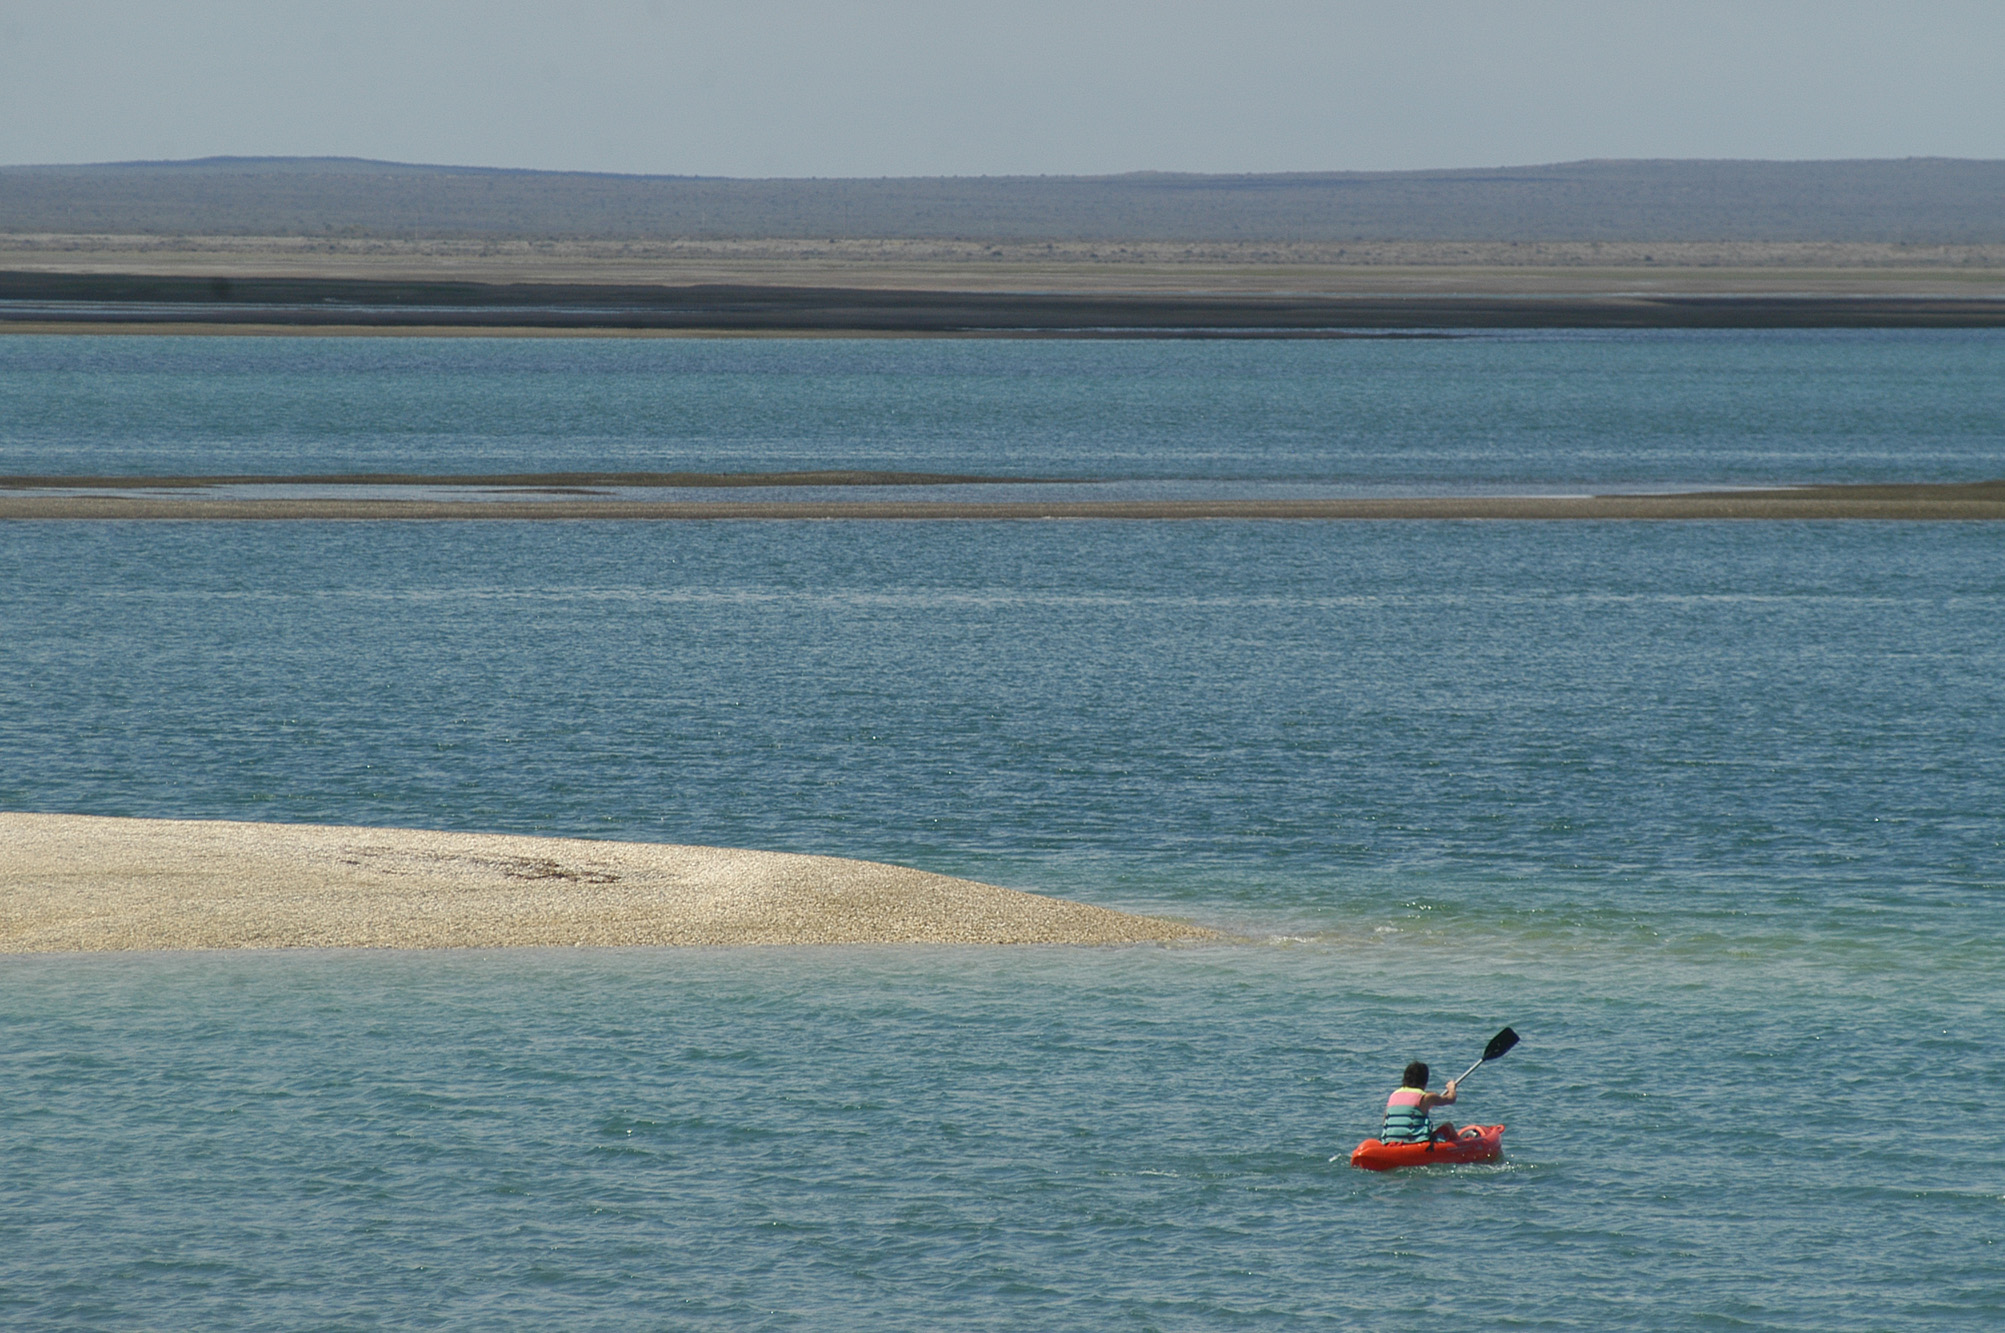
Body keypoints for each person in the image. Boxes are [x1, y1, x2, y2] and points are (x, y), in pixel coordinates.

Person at [1380, 1060, 1469, 1143]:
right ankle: (1462, 1146)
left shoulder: (1393, 1096)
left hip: (1389, 1141)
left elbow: (1385, 1121)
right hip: (1415, 1142)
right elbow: (1451, 1098)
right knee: (1448, 1126)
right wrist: (1451, 1088)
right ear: (1425, 1081)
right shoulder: (1427, 1097)